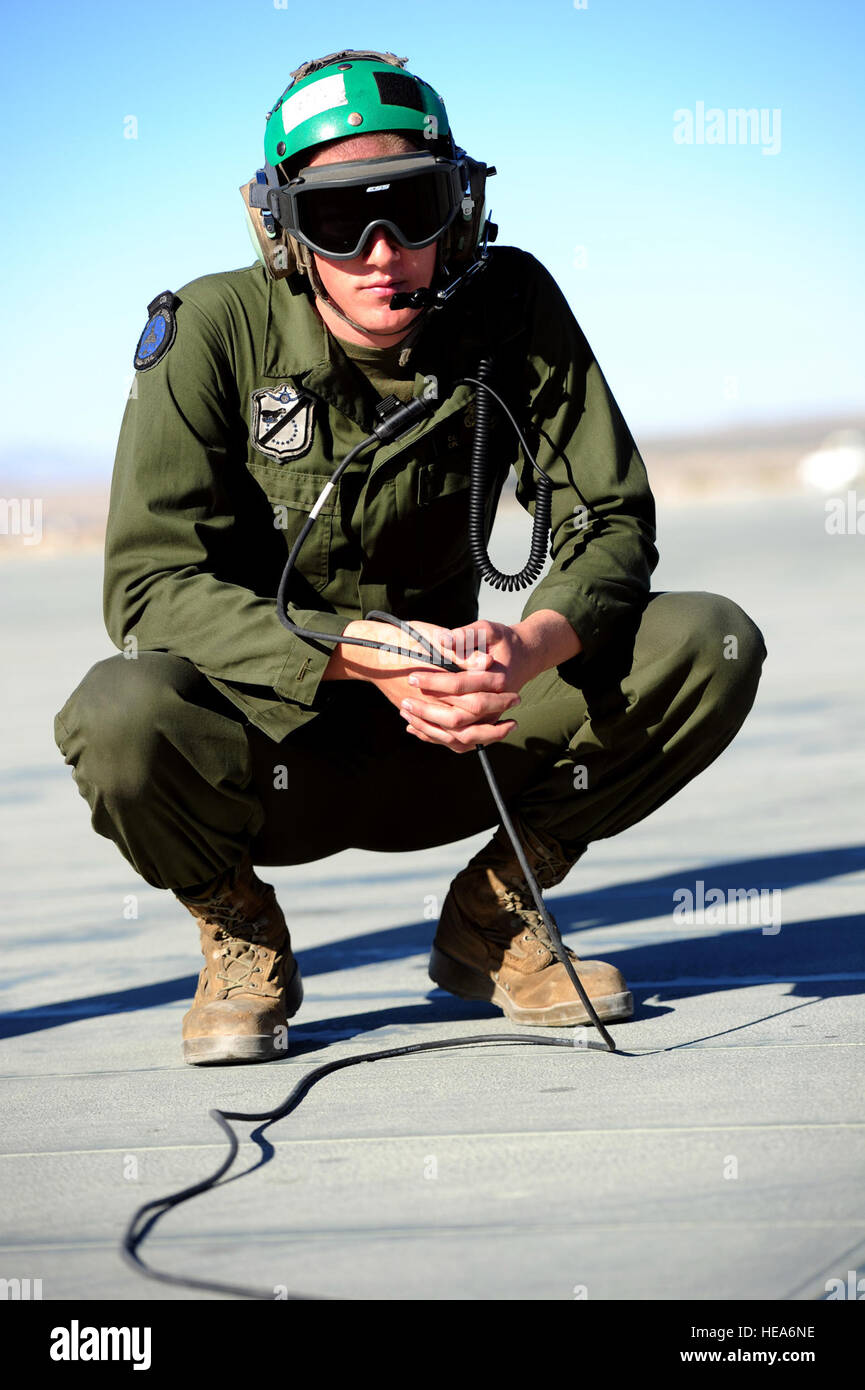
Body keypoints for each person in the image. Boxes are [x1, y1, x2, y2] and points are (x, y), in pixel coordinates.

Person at [54, 50, 766, 1065]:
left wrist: (522, 646)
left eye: (412, 207)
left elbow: (609, 522)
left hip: (461, 732)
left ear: (463, 208)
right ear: (282, 230)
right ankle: (236, 927)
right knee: (115, 712)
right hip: (270, 756)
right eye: (342, 218)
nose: (382, 251)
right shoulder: (212, 328)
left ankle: (495, 911)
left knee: (710, 641)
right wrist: (362, 652)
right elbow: (149, 587)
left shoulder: (510, 307)